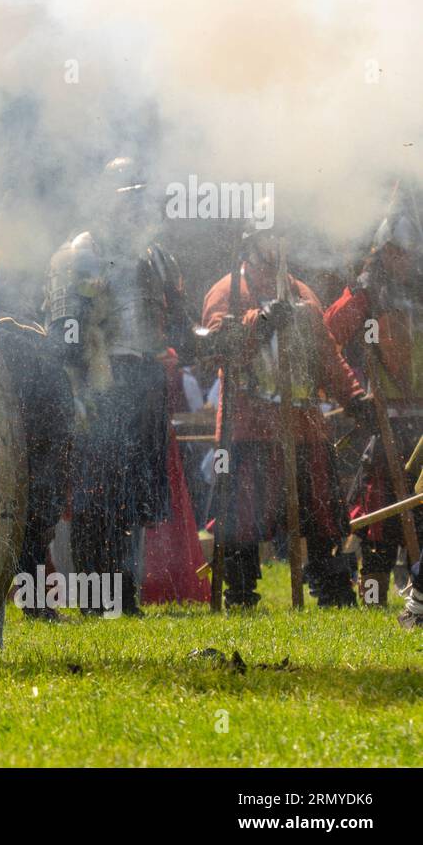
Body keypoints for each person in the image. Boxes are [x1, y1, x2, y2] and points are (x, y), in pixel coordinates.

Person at [43, 157, 200, 616]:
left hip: (146, 383)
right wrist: (82, 387)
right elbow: (63, 330)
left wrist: (229, 335)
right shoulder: (79, 253)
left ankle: (124, 595)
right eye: (126, 199)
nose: (135, 209)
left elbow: (185, 333)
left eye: (139, 198)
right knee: (98, 495)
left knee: (132, 497)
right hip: (102, 382)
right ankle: (99, 598)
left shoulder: (156, 257)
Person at [201, 222, 371, 608]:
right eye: (270, 237)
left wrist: (356, 398)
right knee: (240, 522)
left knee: (321, 518)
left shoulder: (301, 293)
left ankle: (332, 589)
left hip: (304, 423)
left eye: (283, 236)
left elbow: (328, 357)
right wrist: (258, 322)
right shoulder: (227, 290)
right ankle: (241, 594)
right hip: (248, 423)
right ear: (253, 242)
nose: (279, 245)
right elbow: (216, 346)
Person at [324, 198, 423, 611]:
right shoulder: (365, 294)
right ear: (384, 252)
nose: (405, 260)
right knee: (380, 519)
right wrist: (357, 396)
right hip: (388, 419)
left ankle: (417, 598)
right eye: (397, 252)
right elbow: (326, 339)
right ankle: (372, 603)